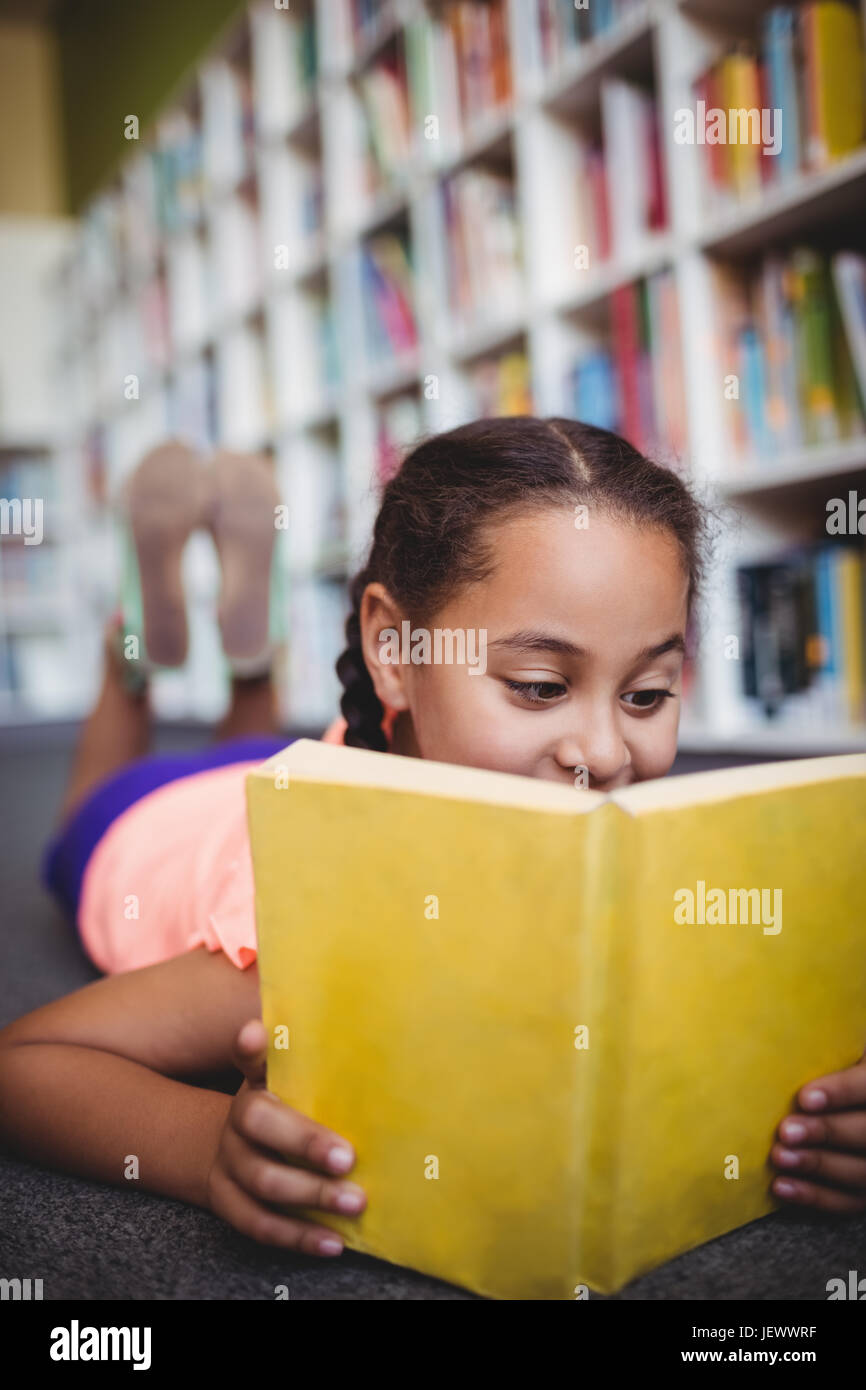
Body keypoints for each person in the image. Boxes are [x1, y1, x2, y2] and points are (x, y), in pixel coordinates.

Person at [0, 418, 863, 1268]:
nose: (603, 755)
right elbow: (26, 1061)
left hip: (335, 746)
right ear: (395, 650)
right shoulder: (292, 924)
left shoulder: (540, 791)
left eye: (647, 693)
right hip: (149, 826)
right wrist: (205, 1145)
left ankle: (251, 649)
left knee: (255, 741)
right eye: (539, 686)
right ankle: (137, 639)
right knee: (82, 804)